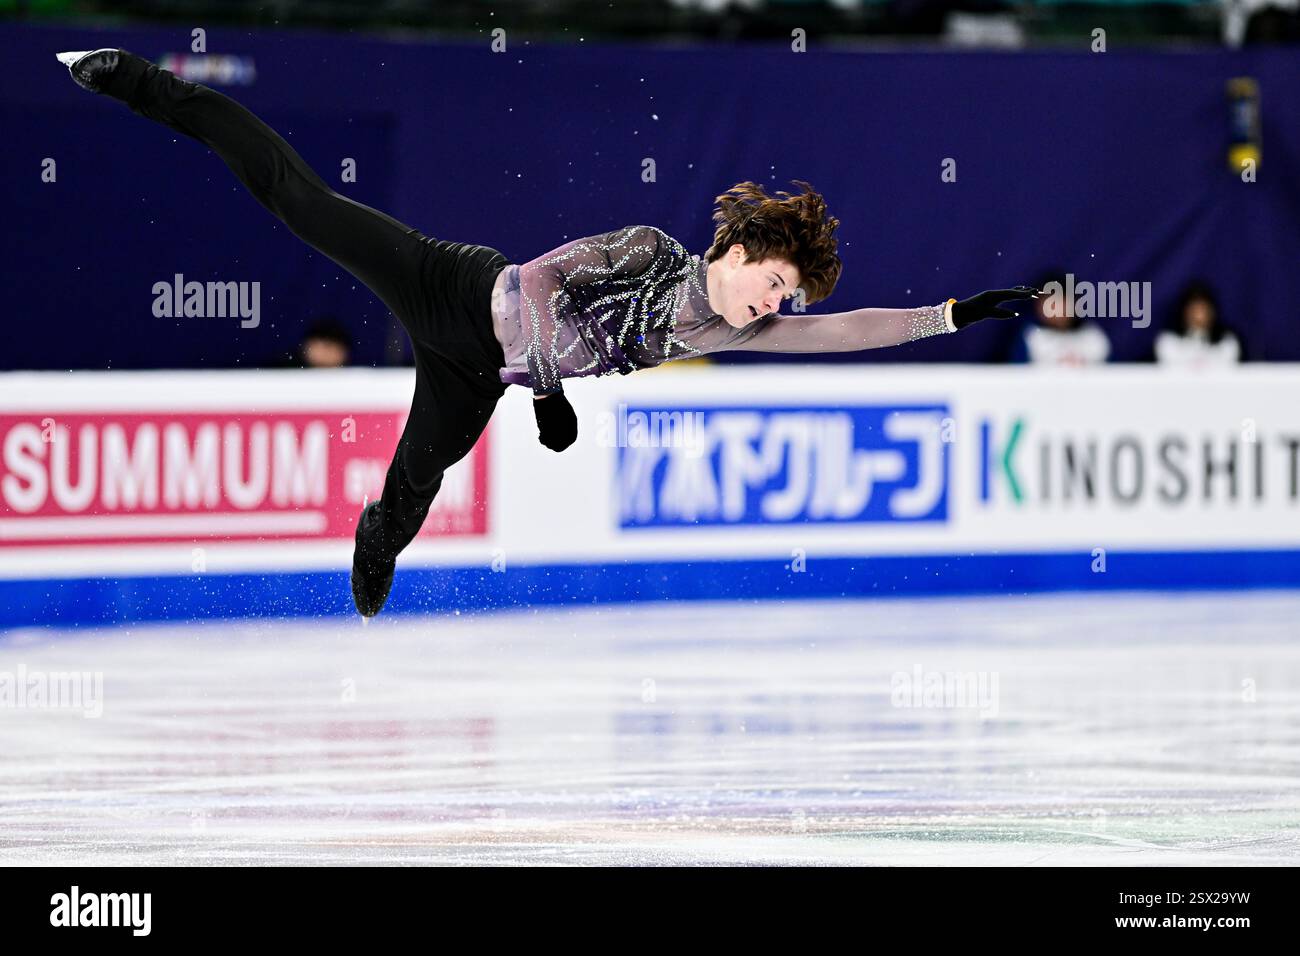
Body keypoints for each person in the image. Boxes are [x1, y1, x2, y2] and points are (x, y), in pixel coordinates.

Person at [56, 49, 1036, 618]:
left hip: (476, 371)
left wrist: (949, 315)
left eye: (787, 299)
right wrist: (549, 387)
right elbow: (535, 280)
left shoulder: (736, 335)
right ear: (737, 250)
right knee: (297, 199)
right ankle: (136, 80)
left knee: (416, 483)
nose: (777, 306)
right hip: (454, 286)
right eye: (776, 284)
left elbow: (846, 333)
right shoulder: (650, 249)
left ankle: (375, 538)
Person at [1011, 271, 1110, 366]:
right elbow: (1015, 373)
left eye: (1062, 302)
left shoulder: (1094, 337)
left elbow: (1113, 371)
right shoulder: (1030, 338)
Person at [1155, 281, 1241, 368]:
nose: (1198, 316)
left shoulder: (1227, 342)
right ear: (1184, 312)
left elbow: (1225, 368)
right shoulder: (1168, 341)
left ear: (1212, 312)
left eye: (1203, 310)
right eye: (1194, 310)